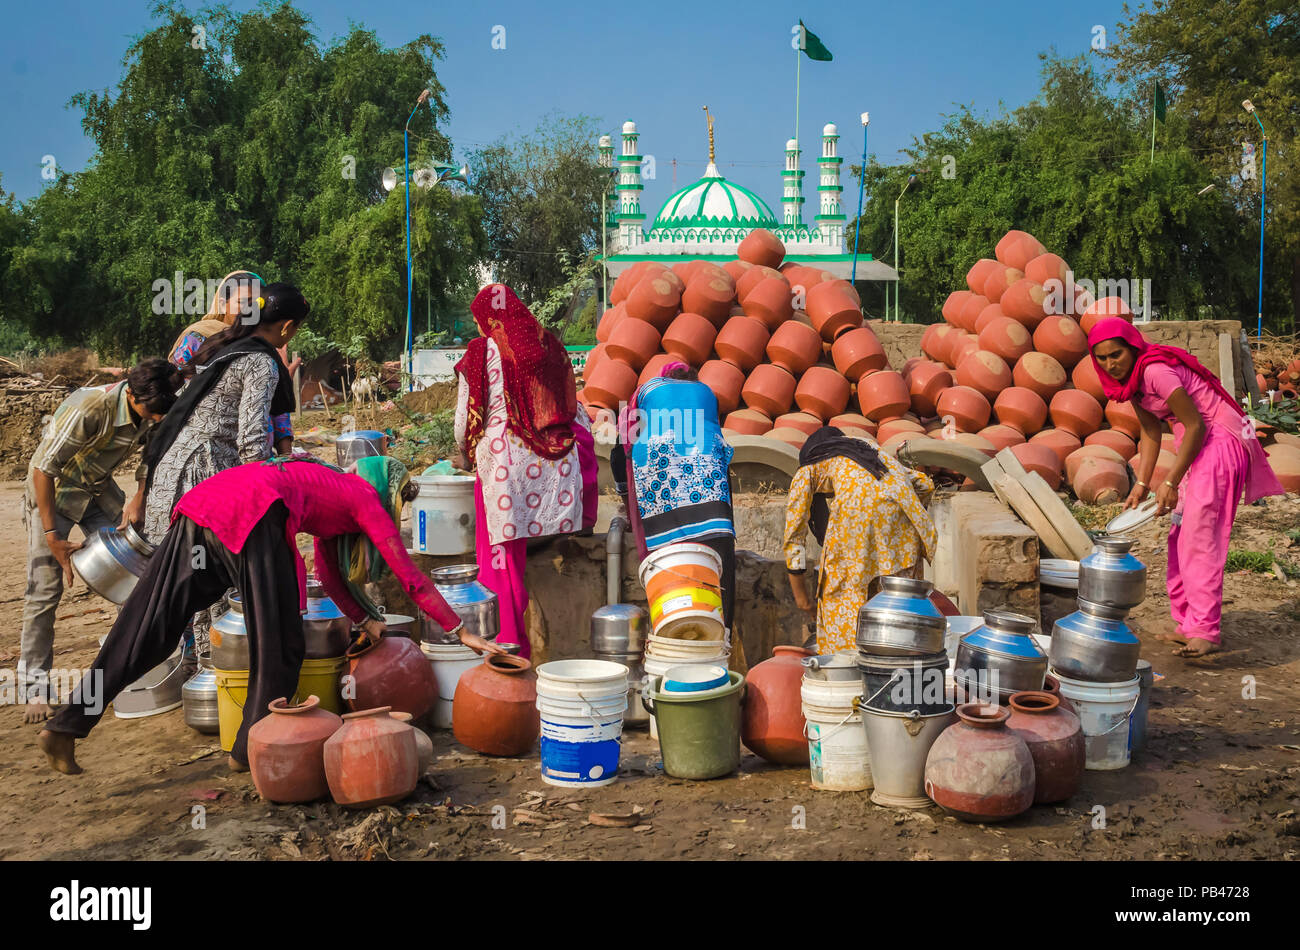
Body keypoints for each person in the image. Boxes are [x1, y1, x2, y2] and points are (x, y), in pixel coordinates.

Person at [39, 456, 505, 775]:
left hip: (203, 506)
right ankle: (250, 752)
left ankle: (67, 724)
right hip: (255, 514)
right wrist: (459, 630)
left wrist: (365, 622)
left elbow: (329, 572)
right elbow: (409, 574)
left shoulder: (334, 489)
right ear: (390, 491)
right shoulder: (366, 500)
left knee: (149, 628)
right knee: (280, 646)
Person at [1088, 317, 1284, 657]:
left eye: (1116, 354)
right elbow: (1150, 432)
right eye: (1102, 358)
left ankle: (1205, 631)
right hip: (1198, 447)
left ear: (1132, 348)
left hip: (1220, 440)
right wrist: (1144, 484)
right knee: (1180, 532)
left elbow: (1195, 425)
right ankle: (1188, 623)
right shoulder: (1132, 382)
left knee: (1200, 534)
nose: (1110, 364)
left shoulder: (1155, 371)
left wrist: (1170, 481)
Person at [139, 282, 307, 657]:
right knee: (211, 579)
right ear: (285, 327)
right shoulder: (260, 361)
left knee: (177, 577)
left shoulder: (222, 347)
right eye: (296, 329)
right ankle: (211, 675)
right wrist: (269, 494)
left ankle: (181, 667)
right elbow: (251, 442)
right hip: (205, 473)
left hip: (169, 472)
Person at [19, 360, 182, 723]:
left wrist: (139, 497)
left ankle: (135, 663)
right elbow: (43, 469)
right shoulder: (89, 407)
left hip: (97, 489)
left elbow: (150, 458)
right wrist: (52, 536)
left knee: (142, 571)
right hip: (54, 494)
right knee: (45, 591)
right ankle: (33, 687)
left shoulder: (155, 406)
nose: (156, 420)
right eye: (150, 412)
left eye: (161, 414)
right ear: (131, 394)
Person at [453, 283, 597, 659]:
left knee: (498, 554)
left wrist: (465, 455)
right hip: (556, 469)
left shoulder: (480, 352)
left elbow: (462, 420)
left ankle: (508, 640)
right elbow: (574, 410)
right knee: (515, 543)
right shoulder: (548, 345)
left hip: (505, 464)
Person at [610, 361, 744, 668]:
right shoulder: (706, 394)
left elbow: (622, 448)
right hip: (711, 498)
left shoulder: (644, 392)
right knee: (718, 575)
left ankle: (669, 652)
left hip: (661, 501)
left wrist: (624, 493)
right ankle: (721, 650)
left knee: (668, 574)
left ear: (663, 378)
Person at [783, 426, 938, 655]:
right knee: (894, 608)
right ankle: (893, 664)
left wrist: (802, 599)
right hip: (903, 529)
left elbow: (794, 536)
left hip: (856, 525)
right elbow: (925, 484)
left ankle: (846, 669)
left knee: (842, 604)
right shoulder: (872, 452)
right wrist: (896, 523)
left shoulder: (811, 466)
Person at [168, 270, 296, 455]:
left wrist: (286, 455)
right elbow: (173, 393)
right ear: (222, 304)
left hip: (255, 452)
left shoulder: (262, 345)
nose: (249, 310)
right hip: (206, 451)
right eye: (242, 303)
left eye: (256, 304)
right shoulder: (198, 338)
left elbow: (277, 406)